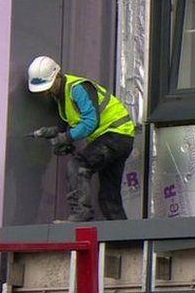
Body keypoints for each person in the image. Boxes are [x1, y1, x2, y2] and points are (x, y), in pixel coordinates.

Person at [27, 55, 135, 222]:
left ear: (57, 76)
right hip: (121, 137)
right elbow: (70, 123)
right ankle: (125, 241)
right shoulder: (62, 96)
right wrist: (62, 137)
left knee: (78, 165)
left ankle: (81, 212)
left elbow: (91, 121)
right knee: (108, 195)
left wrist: (66, 138)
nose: (46, 92)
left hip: (115, 134)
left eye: (47, 87)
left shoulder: (77, 88)